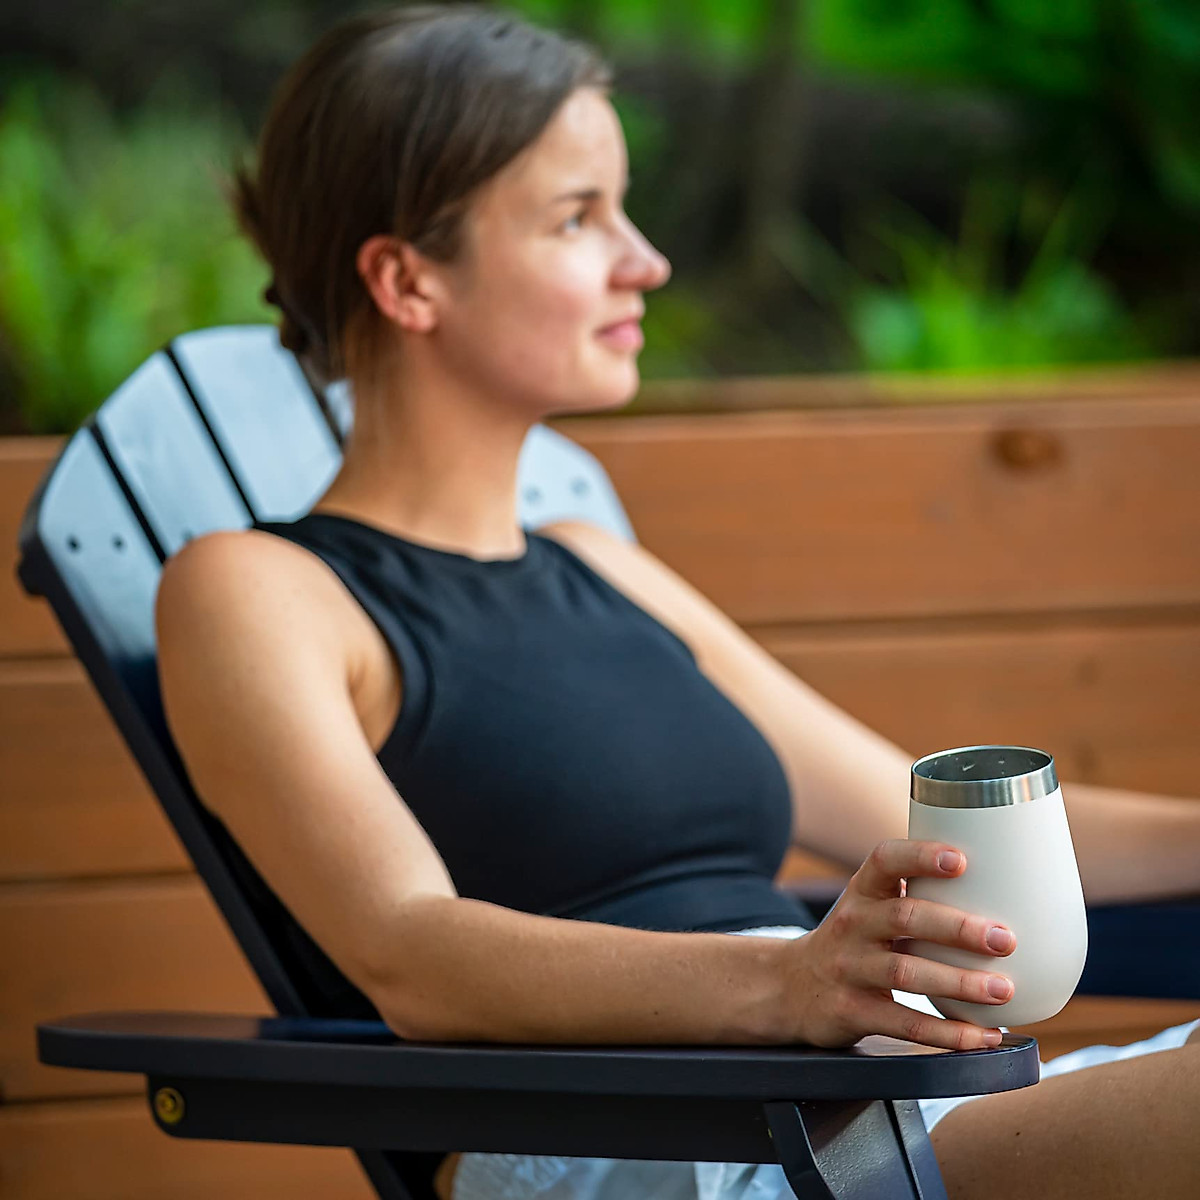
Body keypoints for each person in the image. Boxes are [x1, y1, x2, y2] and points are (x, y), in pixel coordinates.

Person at [154, 6, 1200, 1198]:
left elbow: (916, 816)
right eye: (576, 216)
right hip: (632, 1125)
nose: (643, 260)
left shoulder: (599, 563)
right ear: (406, 278)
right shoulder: (256, 591)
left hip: (863, 1094)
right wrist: (789, 987)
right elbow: (408, 950)